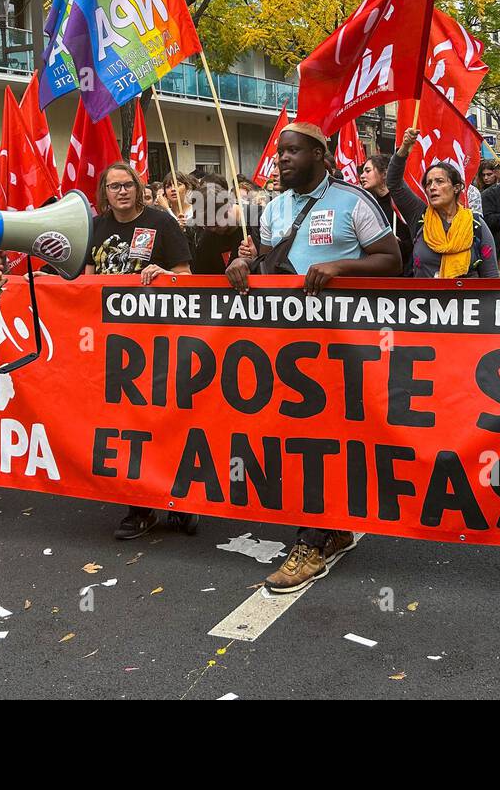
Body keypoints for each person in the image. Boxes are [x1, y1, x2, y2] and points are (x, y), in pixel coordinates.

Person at [226, 122, 401, 593]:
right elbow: (269, 266)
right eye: (280, 152)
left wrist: (339, 266)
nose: (280, 159)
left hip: (342, 347)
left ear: (320, 156)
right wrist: (244, 264)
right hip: (287, 349)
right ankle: (334, 528)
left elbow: (392, 260)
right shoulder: (273, 209)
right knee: (300, 439)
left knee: (323, 441)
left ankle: (310, 543)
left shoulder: (353, 201)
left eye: (292, 152)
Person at [87, 161, 193, 539]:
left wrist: (165, 274)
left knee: (165, 421)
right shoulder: (95, 227)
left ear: (138, 187)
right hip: (113, 343)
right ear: (105, 193)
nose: (121, 192)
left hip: (156, 340)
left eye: (127, 184)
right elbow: (83, 277)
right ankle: (140, 507)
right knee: (126, 425)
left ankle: (182, 503)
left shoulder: (161, 222)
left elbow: (186, 274)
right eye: (113, 186)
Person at [389, 128, 496, 277]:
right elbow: (394, 183)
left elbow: (491, 277)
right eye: (428, 183)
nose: (432, 187)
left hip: (466, 299)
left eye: (439, 181)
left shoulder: (475, 224)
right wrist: (404, 148)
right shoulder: (420, 216)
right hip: (423, 299)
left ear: (456, 187)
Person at [359, 153, 414, 272]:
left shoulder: (401, 201)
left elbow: (414, 239)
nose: (362, 176)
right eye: (362, 172)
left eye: (368, 171)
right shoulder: (368, 204)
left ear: (384, 174)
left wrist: (399, 244)